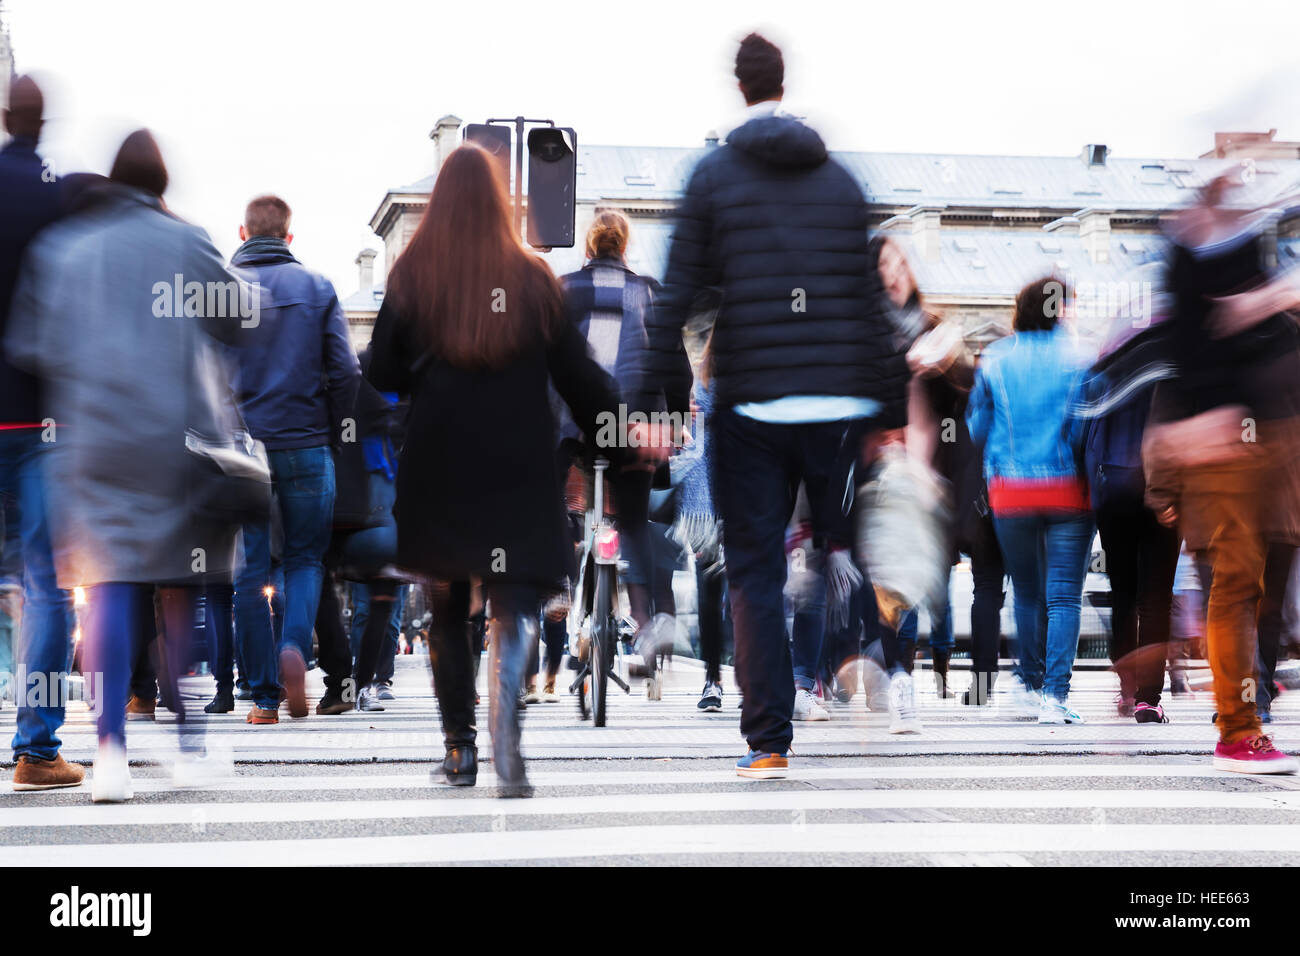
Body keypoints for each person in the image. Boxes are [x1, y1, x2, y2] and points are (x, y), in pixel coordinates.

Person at [633, 33, 909, 779]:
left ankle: (769, 742)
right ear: (784, 85)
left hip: (753, 405)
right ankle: (849, 659)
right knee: (834, 548)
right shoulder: (842, 185)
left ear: (741, 86)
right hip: (838, 405)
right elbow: (873, 305)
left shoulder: (713, 179)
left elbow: (676, 296)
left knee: (754, 568)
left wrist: (654, 402)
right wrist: (891, 413)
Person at [366, 143, 629, 797]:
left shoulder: (413, 275)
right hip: (517, 457)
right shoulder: (535, 278)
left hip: (439, 458)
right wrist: (624, 429)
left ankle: (460, 751)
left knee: (449, 607)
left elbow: (382, 372)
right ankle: (506, 732)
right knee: (512, 599)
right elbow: (580, 377)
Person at [6, 129, 242, 801]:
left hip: (92, 440)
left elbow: (33, 345)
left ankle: (109, 752)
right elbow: (236, 321)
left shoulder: (63, 249)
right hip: (175, 438)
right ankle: (190, 740)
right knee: (180, 587)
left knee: (107, 587)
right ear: (160, 184)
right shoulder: (187, 241)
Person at [1144, 173, 1300, 773]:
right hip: (1226, 442)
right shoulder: (1196, 248)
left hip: (1254, 445)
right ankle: (1238, 729)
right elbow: (1204, 334)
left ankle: (1242, 722)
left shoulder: (1232, 243)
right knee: (1236, 591)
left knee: (1249, 592)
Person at [226, 195, 360, 723]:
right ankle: (295, 652)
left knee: (248, 567)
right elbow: (346, 371)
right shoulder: (317, 287)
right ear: (289, 236)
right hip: (306, 443)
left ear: (242, 233)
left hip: (240, 450)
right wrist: (333, 428)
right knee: (306, 559)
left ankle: (261, 697)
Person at [0, 75, 83, 791]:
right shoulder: (59, 198)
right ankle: (36, 748)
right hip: (39, 415)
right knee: (46, 586)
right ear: (41, 120)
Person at [967, 276, 1093, 724]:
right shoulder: (1081, 358)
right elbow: (1083, 430)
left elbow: (976, 429)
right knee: (1064, 597)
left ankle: (1028, 681)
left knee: (1025, 592)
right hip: (1069, 490)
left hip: (1011, 490)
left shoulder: (996, 359)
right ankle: (1054, 699)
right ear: (1059, 311)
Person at [556, 209, 666, 688]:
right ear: (625, 247)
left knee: (551, 497)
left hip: (572, 423)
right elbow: (665, 361)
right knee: (636, 522)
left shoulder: (563, 288)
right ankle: (644, 626)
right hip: (631, 425)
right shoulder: (646, 290)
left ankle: (560, 583)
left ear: (588, 246)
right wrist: (666, 422)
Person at [1075, 280, 1179, 724]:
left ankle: (1126, 687)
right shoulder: (1173, 368)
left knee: (1123, 594)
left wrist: (1089, 488)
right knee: (1156, 597)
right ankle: (1148, 699)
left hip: (1113, 492)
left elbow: (1079, 432)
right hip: (1165, 496)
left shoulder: (1102, 370)